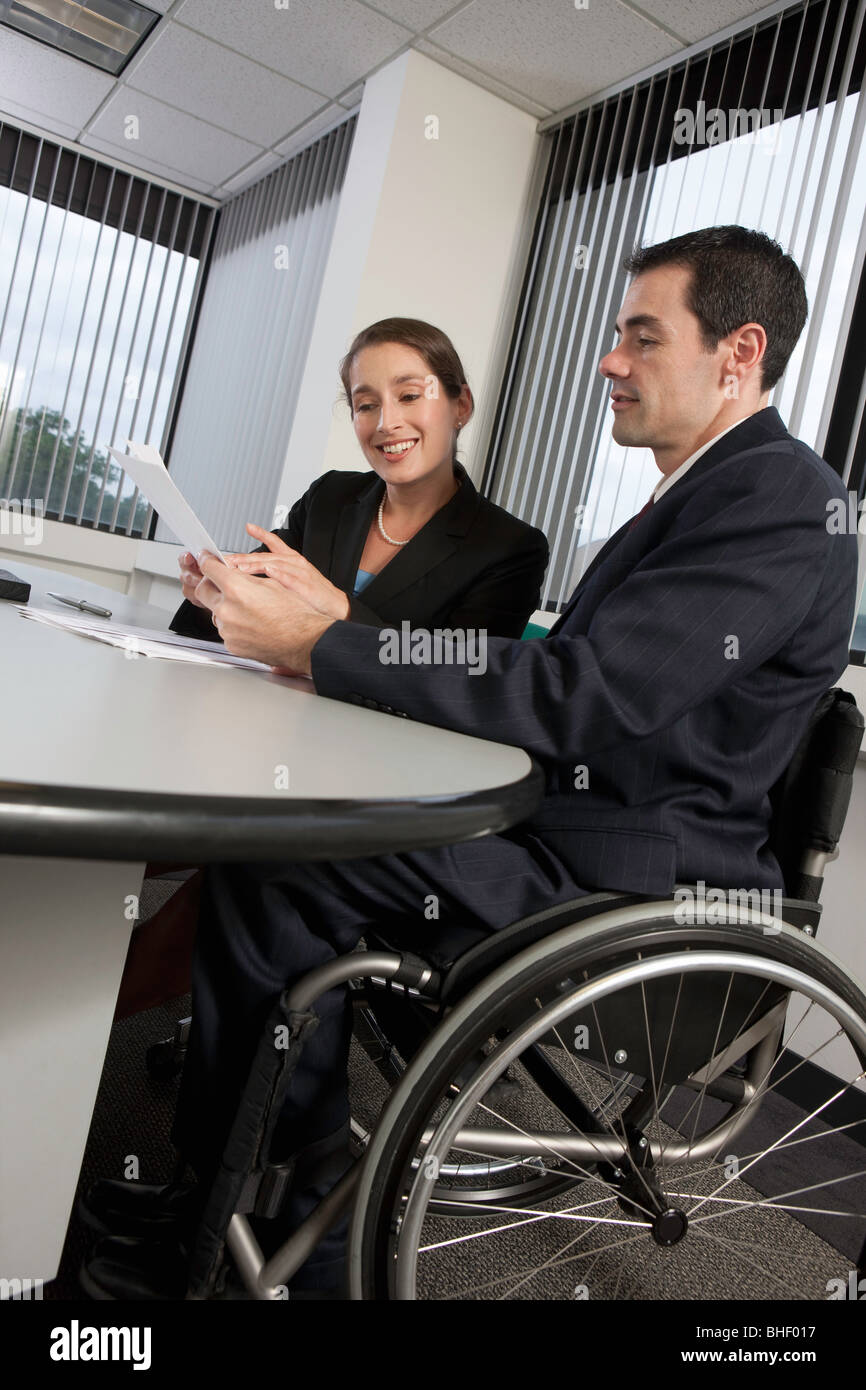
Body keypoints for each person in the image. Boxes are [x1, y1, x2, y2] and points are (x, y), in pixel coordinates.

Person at [80, 227, 859, 1300]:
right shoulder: (705, 494)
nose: (607, 361)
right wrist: (337, 634)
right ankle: (229, 1198)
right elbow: (571, 677)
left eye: (640, 335)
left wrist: (326, 644)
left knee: (278, 862)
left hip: (630, 884)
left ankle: (257, 1229)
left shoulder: (773, 496)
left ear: (737, 352)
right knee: (282, 855)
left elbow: (586, 696)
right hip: (572, 837)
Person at [168, 317, 549, 644]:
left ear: (460, 406)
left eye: (410, 395)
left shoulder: (510, 548)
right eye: (366, 405)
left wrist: (338, 607)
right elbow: (233, 628)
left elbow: (458, 670)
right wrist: (214, 596)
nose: (386, 423)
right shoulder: (330, 497)